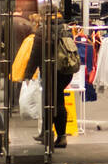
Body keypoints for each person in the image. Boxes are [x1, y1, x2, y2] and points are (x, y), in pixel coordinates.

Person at [26, 11, 75, 149]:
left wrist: (28, 74)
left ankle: (49, 134)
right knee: (59, 101)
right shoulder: (66, 28)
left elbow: (35, 54)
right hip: (66, 71)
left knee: (49, 103)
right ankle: (59, 135)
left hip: (50, 70)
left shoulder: (43, 30)